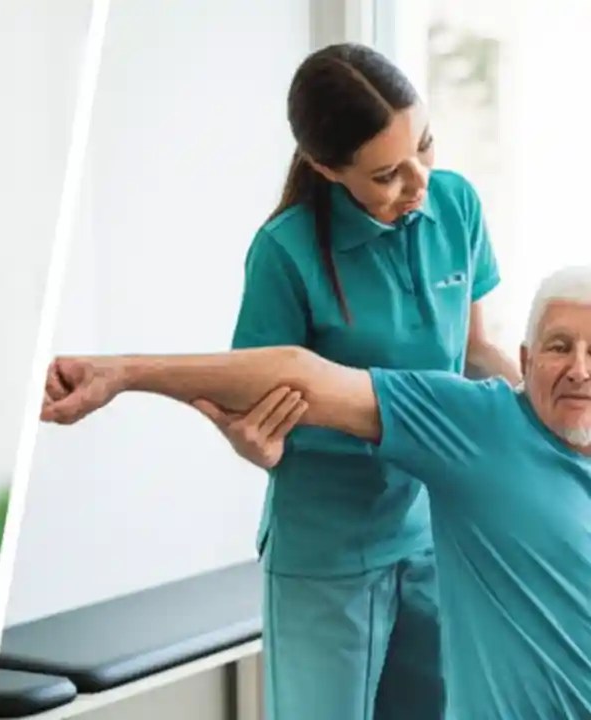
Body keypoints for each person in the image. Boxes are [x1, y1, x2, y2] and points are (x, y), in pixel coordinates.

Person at [42, 264, 591, 720]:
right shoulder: (482, 427)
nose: (578, 369)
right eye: (559, 347)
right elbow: (300, 375)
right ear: (525, 361)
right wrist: (122, 373)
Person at [178, 42, 519, 720]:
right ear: (327, 168)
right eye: (387, 174)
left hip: (432, 529)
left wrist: (547, 421)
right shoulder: (285, 251)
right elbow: (251, 401)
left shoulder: (456, 205)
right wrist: (252, 444)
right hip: (327, 547)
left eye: (424, 147)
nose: (418, 182)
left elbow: (476, 349)